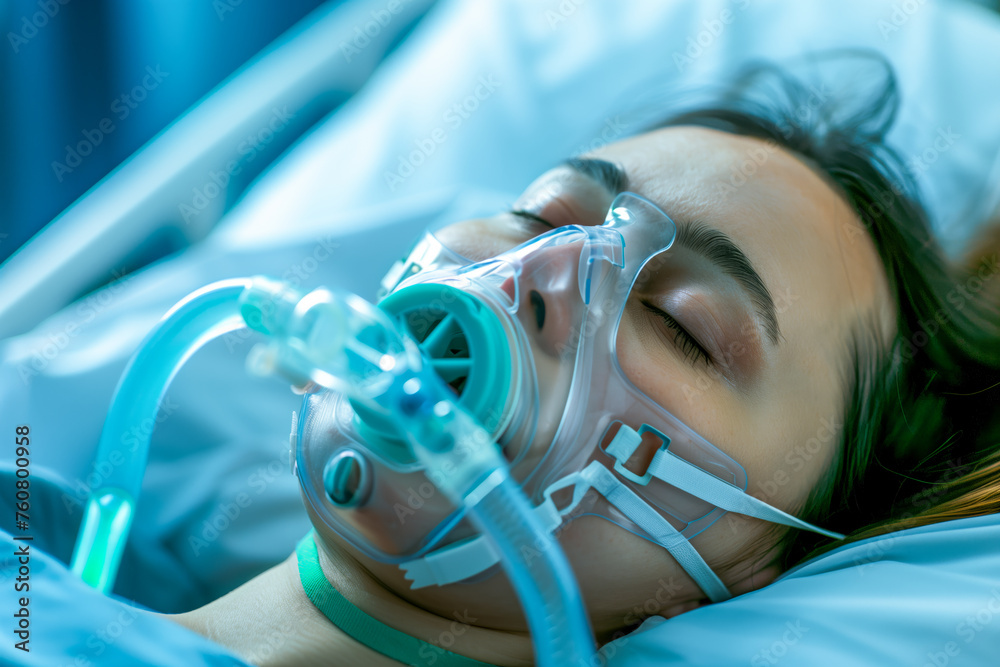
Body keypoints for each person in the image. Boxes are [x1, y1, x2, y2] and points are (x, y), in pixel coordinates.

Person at [164, 58, 994, 665]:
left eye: (682, 324)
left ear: (761, 560)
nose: (538, 272)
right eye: (541, 214)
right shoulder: (32, 577)